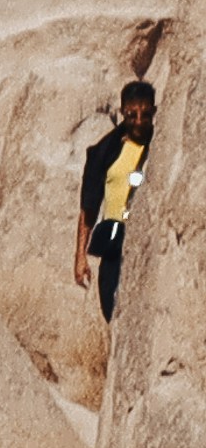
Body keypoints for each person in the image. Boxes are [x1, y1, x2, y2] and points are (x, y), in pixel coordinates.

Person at [92, 80, 159, 320]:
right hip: (114, 238)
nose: (139, 121)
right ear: (123, 113)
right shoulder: (109, 149)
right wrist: (80, 257)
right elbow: (89, 202)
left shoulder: (160, 146)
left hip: (144, 239)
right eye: (132, 115)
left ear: (154, 112)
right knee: (109, 302)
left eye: (145, 114)